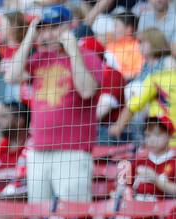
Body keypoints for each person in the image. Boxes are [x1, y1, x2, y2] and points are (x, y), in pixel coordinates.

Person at [6, 6, 107, 203]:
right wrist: (29, 38)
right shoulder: (40, 57)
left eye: (54, 27)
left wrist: (72, 50)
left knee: (72, 218)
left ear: (67, 27)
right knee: (38, 218)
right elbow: (11, 76)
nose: (47, 34)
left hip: (73, 151)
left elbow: (87, 90)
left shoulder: (87, 56)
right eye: (43, 28)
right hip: (39, 150)